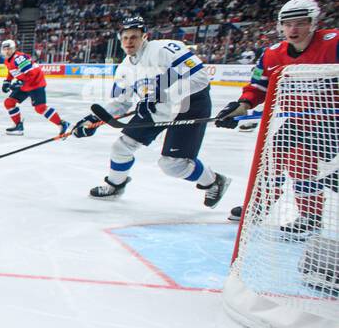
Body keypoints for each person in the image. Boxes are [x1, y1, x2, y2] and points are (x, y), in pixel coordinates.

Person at [72, 17, 230, 206]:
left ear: (144, 37)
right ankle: (116, 185)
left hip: (191, 105)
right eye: (125, 38)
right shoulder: (124, 68)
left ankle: (213, 181)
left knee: (172, 165)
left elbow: (200, 77)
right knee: (121, 147)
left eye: (134, 37)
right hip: (156, 107)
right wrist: (94, 120)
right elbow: (121, 102)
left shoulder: (164, 49)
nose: (129, 42)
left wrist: (164, 95)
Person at [215, 0, 339, 234]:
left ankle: (311, 215)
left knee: (301, 159)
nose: (293, 30)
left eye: (300, 23)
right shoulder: (272, 54)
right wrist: (241, 106)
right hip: (299, 121)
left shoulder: (333, 43)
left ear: (313, 23)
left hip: (333, 121)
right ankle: (259, 205)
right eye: (287, 24)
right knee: (272, 160)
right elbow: (258, 87)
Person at [0, 39, 65, 135]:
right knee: (9, 103)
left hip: (35, 83)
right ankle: (18, 126)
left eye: (9, 49)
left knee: (40, 108)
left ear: (13, 49)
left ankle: (62, 124)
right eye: (5, 49)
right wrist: (7, 81)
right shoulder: (7, 60)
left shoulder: (19, 58)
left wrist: (19, 82)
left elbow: (31, 73)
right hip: (25, 85)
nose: (7, 51)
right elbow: (12, 71)